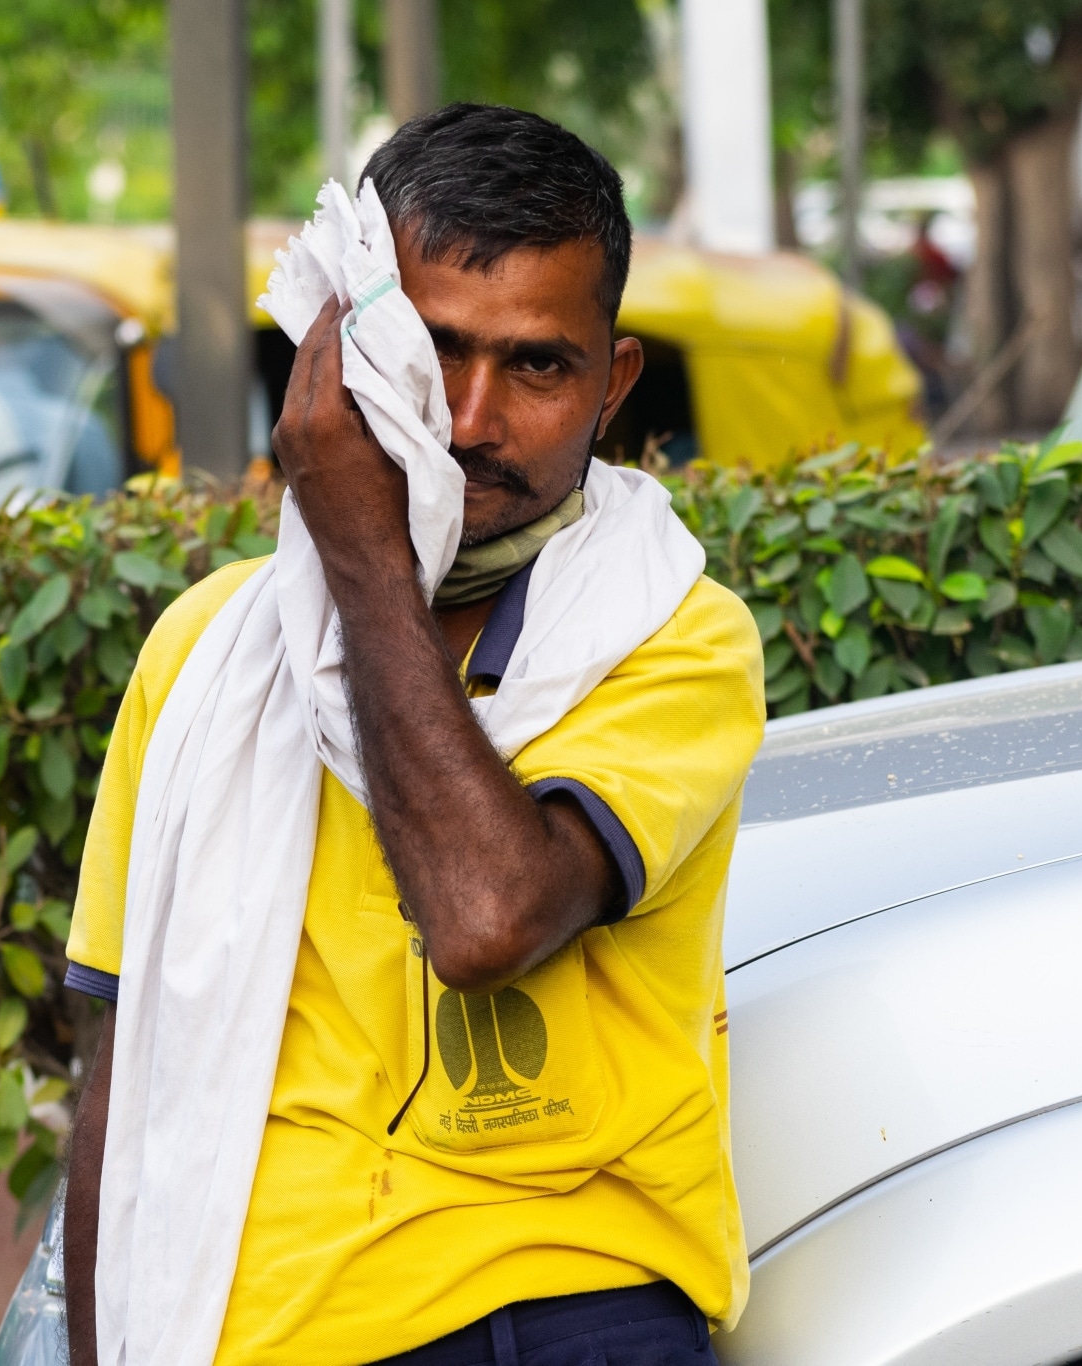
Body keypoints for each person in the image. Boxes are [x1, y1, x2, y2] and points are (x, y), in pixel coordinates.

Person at [60, 104, 767, 1366]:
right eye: (429, 352)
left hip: (572, 1306)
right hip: (265, 1325)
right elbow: (122, 1071)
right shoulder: (204, 653)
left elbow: (485, 916)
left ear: (610, 386)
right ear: (339, 350)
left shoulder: (677, 634)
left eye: (536, 365)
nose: (468, 419)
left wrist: (361, 561)